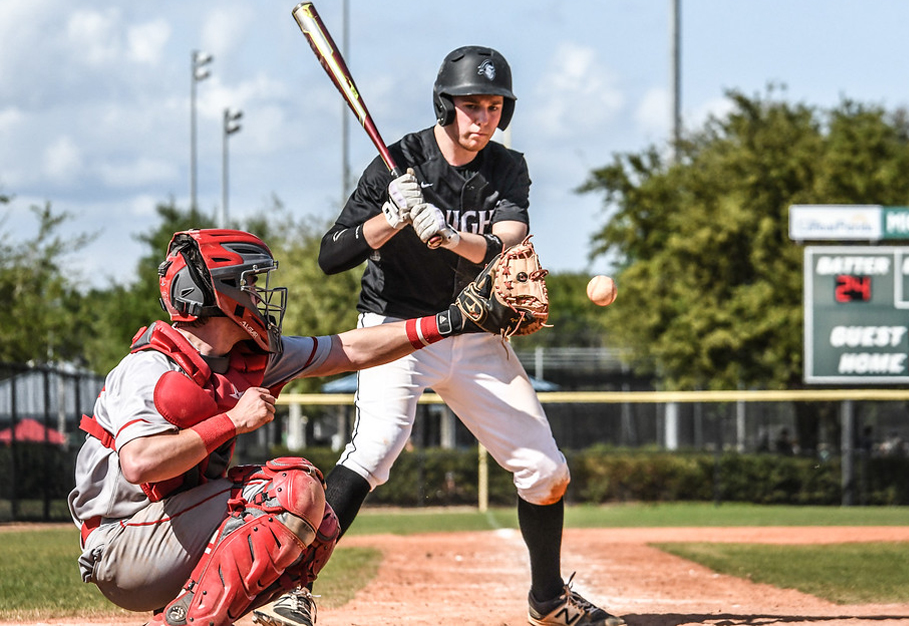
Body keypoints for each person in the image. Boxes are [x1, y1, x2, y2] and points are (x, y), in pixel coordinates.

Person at [307, 45, 625, 626]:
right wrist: (390, 219)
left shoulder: (507, 167)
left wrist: (450, 236)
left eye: (494, 107)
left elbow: (509, 242)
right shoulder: (398, 162)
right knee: (374, 451)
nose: (483, 118)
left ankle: (549, 601)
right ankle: (289, 589)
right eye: (471, 105)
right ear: (444, 105)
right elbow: (331, 256)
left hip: (472, 329)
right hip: (397, 329)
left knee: (546, 470)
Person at [67, 228, 489, 626]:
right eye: (249, 283)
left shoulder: (245, 356)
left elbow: (349, 349)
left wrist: (449, 322)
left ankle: (250, 605)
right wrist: (233, 421)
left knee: (317, 508)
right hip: (120, 547)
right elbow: (139, 464)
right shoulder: (150, 367)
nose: (258, 295)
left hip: (170, 533)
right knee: (290, 490)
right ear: (219, 291)